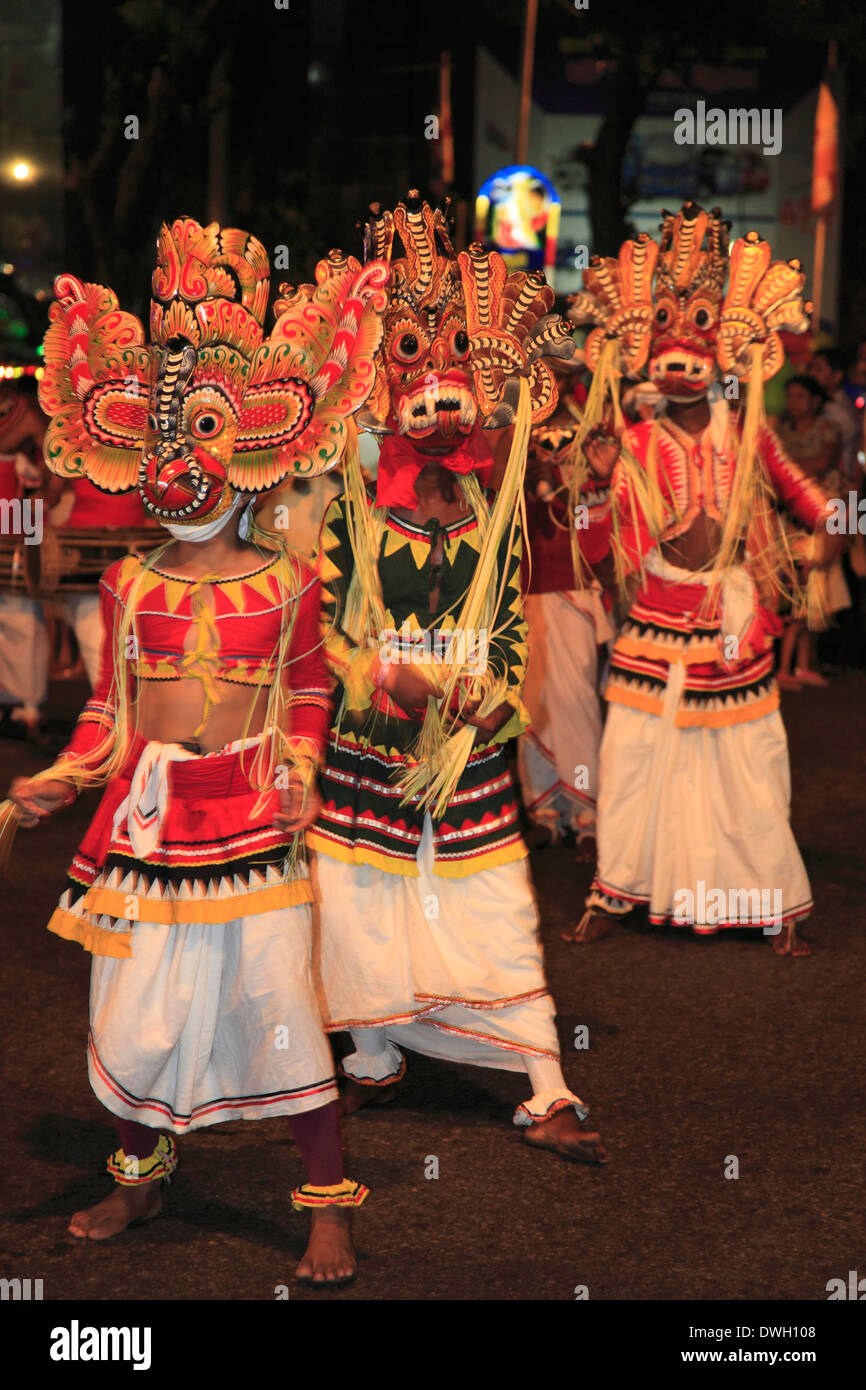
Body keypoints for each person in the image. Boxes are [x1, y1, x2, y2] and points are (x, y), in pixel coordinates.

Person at [3, 217, 388, 1282]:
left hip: (256, 818)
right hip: (148, 824)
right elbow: (110, 715)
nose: (180, 462)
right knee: (136, 1016)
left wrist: (304, 772)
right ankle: (138, 1178)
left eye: (203, 434)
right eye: (166, 440)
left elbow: (308, 685)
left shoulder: (289, 581)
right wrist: (61, 775)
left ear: (255, 444)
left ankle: (326, 1206)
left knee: (277, 1015)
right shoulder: (128, 583)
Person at [307, 193, 606, 1164]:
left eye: (448, 362)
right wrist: (375, 675)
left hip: (468, 743)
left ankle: (545, 1084)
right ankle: (371, 1049)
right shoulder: (352, 503)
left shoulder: (495, 497)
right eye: (409, 359)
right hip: (370, 743)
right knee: (359, 901)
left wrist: (488, 695)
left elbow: (511, 620)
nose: (433, 387)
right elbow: (324, 619)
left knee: (492, 905)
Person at [566, 203, 838, 957]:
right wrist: (592, 487)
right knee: (633, 765)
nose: (679, 358)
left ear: (723, 354)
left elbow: (806, 499)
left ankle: (772, 905)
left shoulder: (748, 433)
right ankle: (616, 888)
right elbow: (593, 550)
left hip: (730, 622)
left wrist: (827, 531)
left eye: (695, 342)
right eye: (665, 342)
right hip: (653, 621)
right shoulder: (632, 442)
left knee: (747, 767)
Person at [517, 367, 613, 856]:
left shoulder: (591, 445)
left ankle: (588, 808)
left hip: (574, 592)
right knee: (531, 709)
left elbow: (596, 533)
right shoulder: (516, 430)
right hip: (526, 594)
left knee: (576, 703)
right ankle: (546, 809)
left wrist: (581, 479)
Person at [774, 375, 850, 689]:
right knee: (801, 603)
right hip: (796, 523)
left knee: (820, 598)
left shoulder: (827, 428)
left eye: (801, 396)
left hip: (826, 512)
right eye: (790, 396)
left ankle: (806, 664)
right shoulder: (779, 431)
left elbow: (824, 461)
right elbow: (777, 469)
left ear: (816, 401)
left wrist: (790, 469)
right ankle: (786, 667)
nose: (794, 402)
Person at [810, 346, 861, 486]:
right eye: (811, 368)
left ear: (837, 376)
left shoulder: (837, 411)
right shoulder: (827, 405)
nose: (811, 373)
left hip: (836, 483)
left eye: (818, 369)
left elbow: (828, 456)